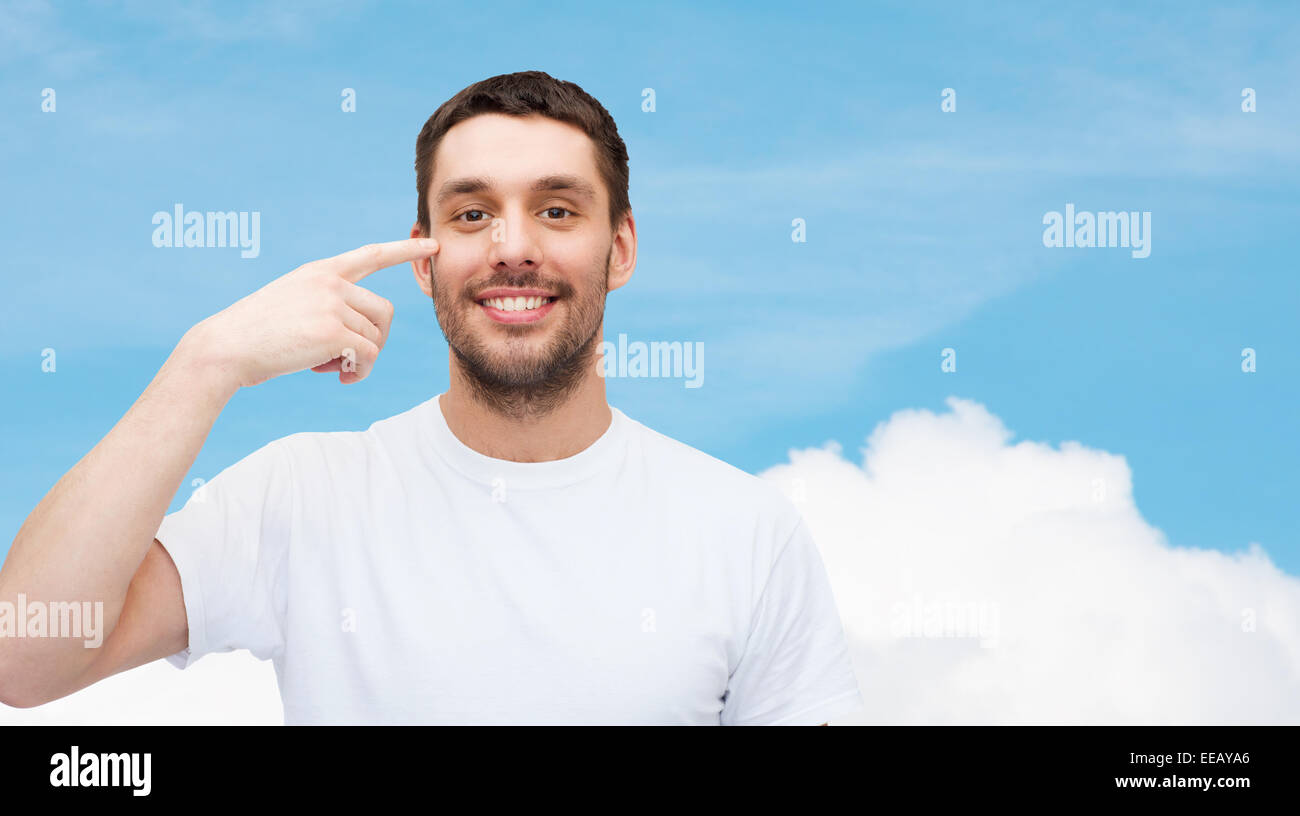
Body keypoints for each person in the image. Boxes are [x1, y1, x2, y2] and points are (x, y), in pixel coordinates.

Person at [0, 71, 863, 725]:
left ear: (621, 248)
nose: (512, 247)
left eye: (558, 210)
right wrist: (206, 361)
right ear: (424, 254)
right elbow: (24, 658)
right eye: (471, 214)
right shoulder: (303, 496)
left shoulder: (746, 533)